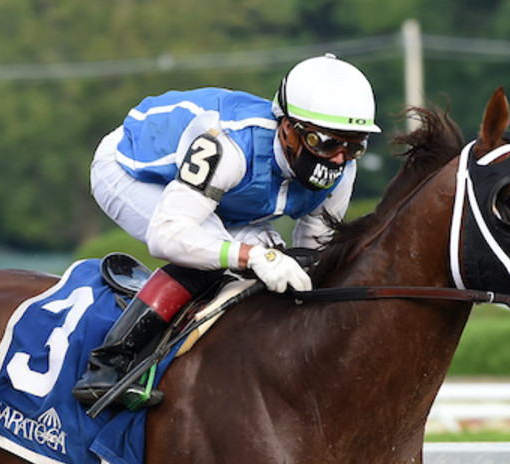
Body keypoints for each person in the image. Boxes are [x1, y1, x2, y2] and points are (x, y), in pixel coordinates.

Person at [73, 53, 381, 409]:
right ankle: (109, 365)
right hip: (129, 171)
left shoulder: (342, 169)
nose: (338, 159)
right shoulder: (228, 146)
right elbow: (168, 235)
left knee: (285, 264)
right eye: (324, 143)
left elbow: (315, 259)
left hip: (217, 197)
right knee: (214, 254)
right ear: (287, 128)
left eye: (354, 144)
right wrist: (250, 255)